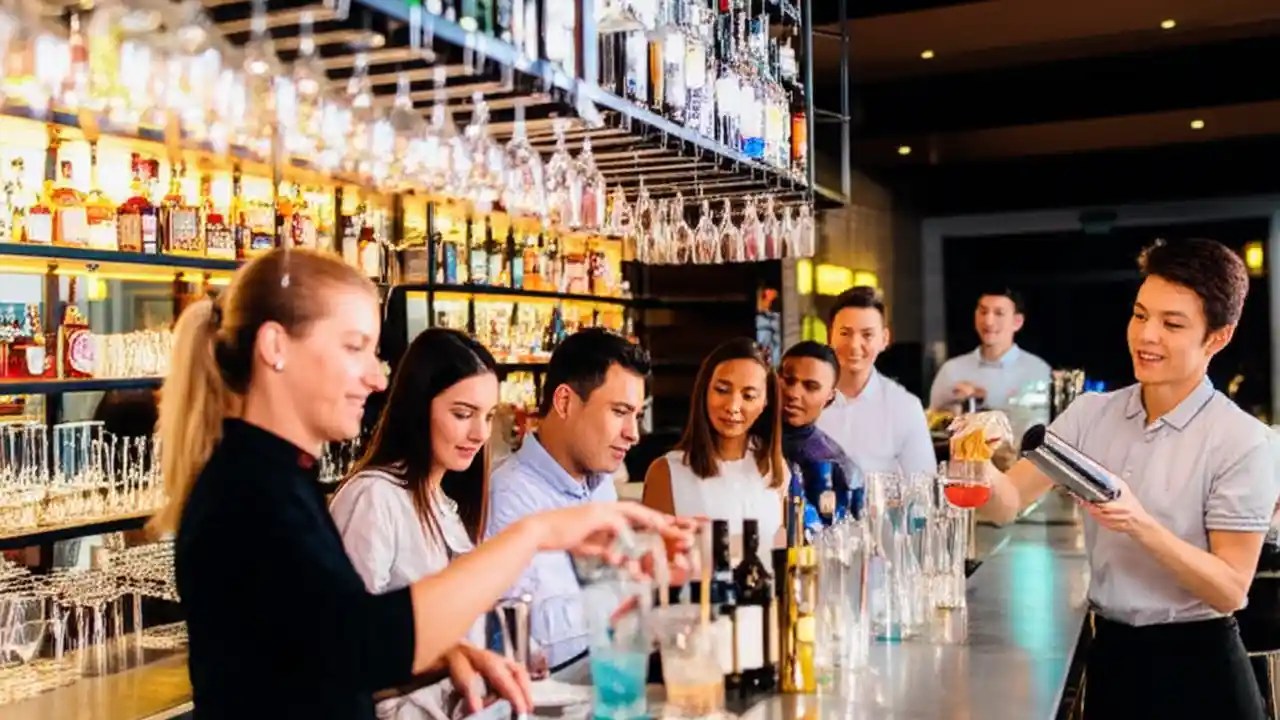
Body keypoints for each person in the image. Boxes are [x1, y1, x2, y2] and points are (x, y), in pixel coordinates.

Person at [156, 249, 691, 719]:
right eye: (354, 347)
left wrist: (440, 659)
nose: (378, 376)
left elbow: (323, 647)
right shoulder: (252, 490)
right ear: (276, 346)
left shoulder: (272, 476)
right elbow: (354, 648)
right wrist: (536, 533)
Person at [979, 239, 1280, 718]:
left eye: (1172, 324)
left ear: (1217, 338)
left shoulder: (1243, 440)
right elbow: (1006, 501)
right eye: (1141, 315)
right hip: (1114, 660)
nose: (1147, 336)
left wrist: (1140, 524)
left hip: (1202, 674)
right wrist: (975, 459)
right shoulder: (1091, 416)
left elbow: (1230, 589)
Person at [329, 328, 499, 719]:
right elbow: (346, 651)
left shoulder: (448, 506)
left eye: (488, 416)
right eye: (462, 414)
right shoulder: (375, 497)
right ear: (419, 406)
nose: (480, 433)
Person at [484, 328, 650, 671]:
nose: (633, 433)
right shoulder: (505, 498)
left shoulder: (601, 486)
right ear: (564, 402)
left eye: (637, 416)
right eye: (620, 412)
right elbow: (517, 644)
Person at [642, 338, 787, 556]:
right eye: (722, 390)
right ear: (705, 390)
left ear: (765, 402)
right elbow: (653, 568)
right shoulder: (666, 473)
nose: (732, 407)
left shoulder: (775, 468)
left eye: (748, 396)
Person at [816, 286, 936, 475]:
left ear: (884, 339)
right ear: (829, 335)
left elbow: (924, 485)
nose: (855, 346)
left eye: (867, 335)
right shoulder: (806, 399)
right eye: (845, 333)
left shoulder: (905, 407)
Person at [928, 288, 1051, 441]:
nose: (988, 321)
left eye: (999, 313)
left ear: (1017, 321)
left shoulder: (1038, 371)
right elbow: (932, 428)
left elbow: (1042, 430)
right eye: (983, 312)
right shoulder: (951, 371)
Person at [778, 341, 864, 522]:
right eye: (789, 380)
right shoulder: (740, 442)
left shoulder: (836, 467)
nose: (794, 393)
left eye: (810, 386)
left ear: (830, 397)